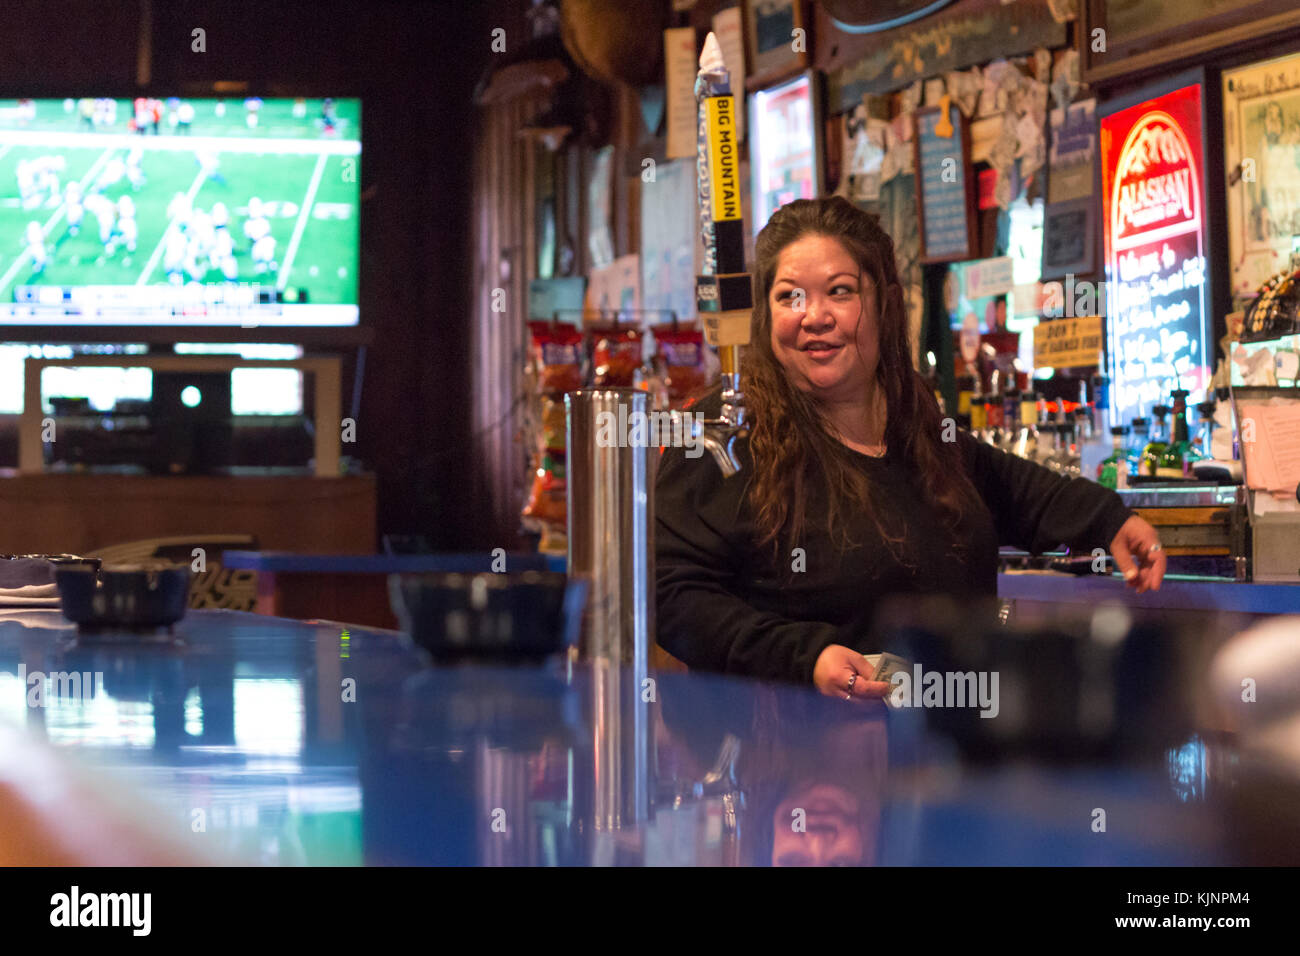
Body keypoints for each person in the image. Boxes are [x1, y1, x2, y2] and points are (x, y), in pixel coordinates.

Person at [655, 197, 1165, 699]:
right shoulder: (722, 431)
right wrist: (804, 658)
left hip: (944, 747)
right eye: (790, 296)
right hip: (797, 761)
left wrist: (1108, 521)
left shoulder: (908, 418)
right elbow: (671, 596)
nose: (814, 316)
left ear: (885, 305)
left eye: (840, 291)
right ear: (765, 314)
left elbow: (1001, 482)